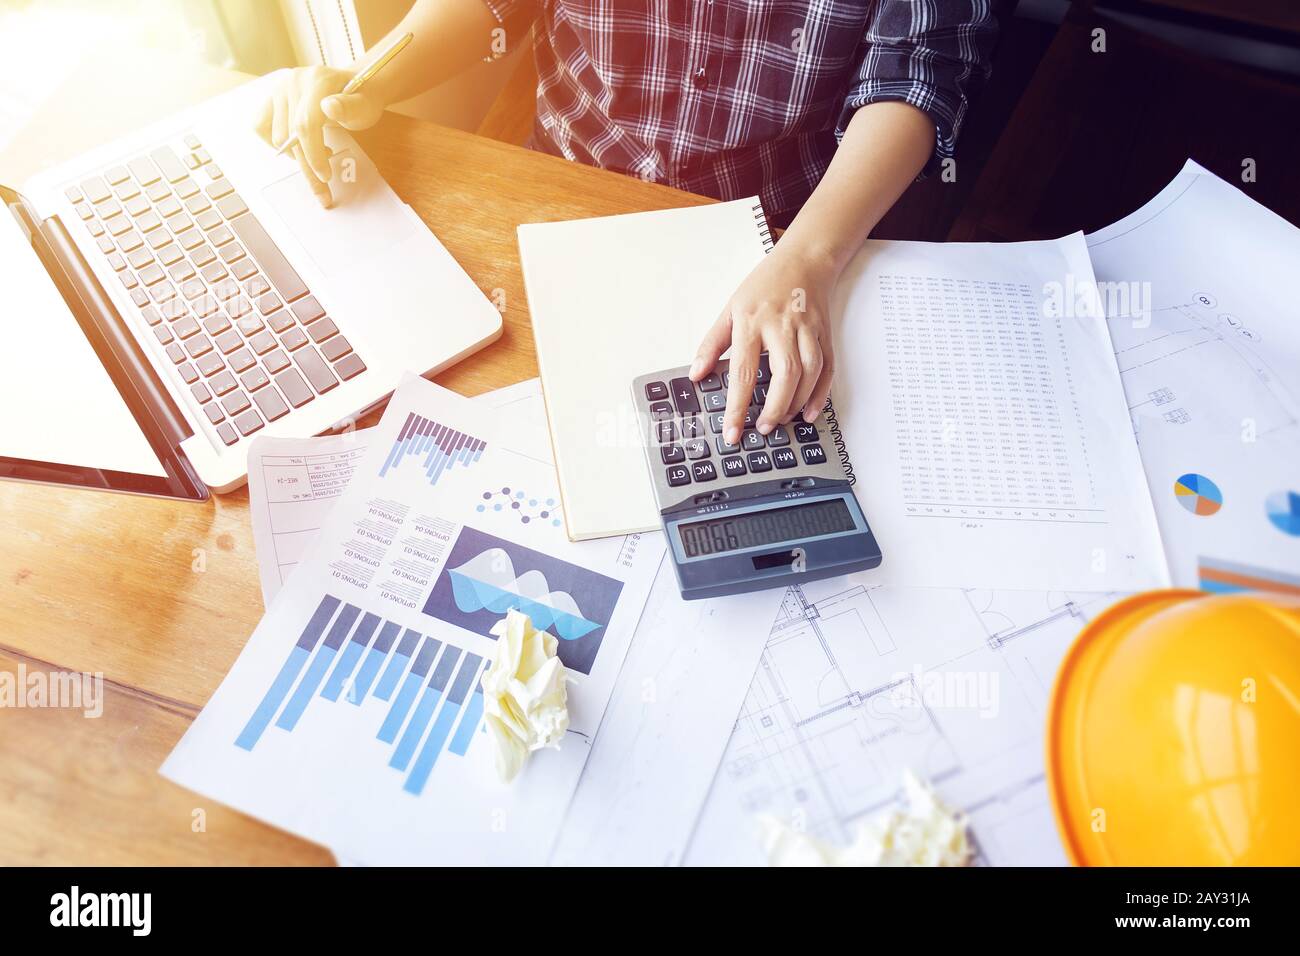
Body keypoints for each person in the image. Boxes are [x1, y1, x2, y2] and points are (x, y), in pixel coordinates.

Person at [257, 0, 996, 446]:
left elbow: (917, 76)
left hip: (769, 233)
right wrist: (365, 82)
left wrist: (808, 257)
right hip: (558, 196)